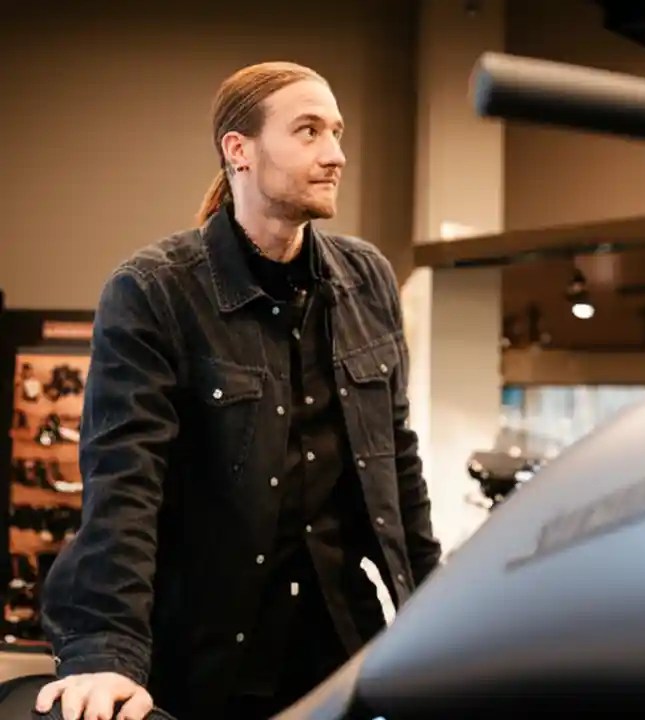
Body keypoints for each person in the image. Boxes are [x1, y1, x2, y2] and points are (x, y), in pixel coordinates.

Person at [33, 61, 443, 720]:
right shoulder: (154, 291)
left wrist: (442, 622)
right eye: (308, 131)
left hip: (344, 652)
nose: (335, 155)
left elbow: (397, 464)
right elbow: (124, 486)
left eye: (336, 132)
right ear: (239, 150)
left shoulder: (367, 279)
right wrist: (105, 652)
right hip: (210, 665)